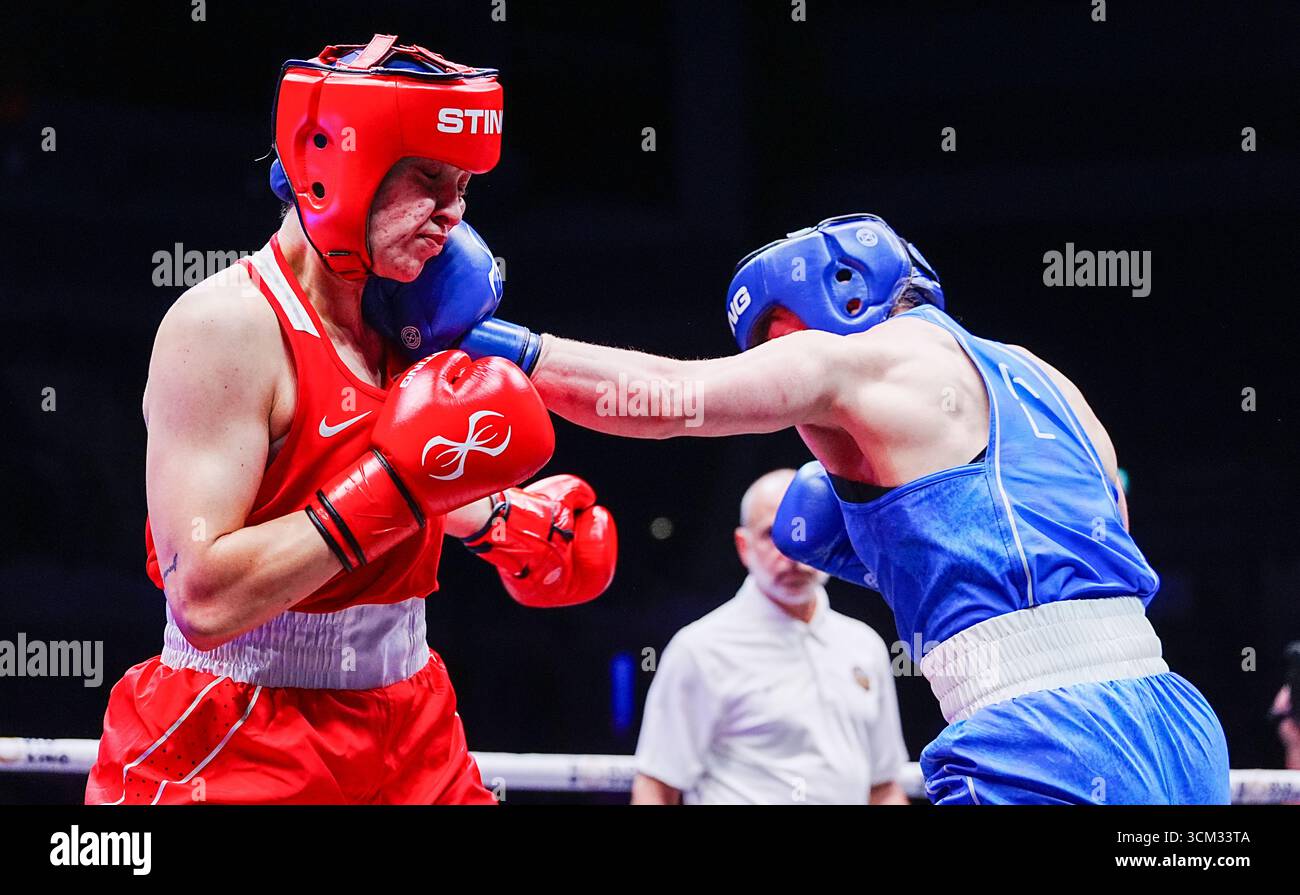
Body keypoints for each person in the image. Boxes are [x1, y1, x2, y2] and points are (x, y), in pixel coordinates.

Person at [367, 212, 1229, 804]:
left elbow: (669, 398)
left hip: (1044, 740)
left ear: (839, 301)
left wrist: (496, 345)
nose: (794, 401)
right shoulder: (1048, 380)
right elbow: (1073, 549)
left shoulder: (859, 361)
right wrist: (892, 548)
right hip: (1178, 724)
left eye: (778, 339)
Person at [85, 35, 617, 806]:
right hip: (243, 730)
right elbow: (201, 596)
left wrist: (502, 518)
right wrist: (399, 488)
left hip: (413, 720)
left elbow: (389, 459)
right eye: (428, 178)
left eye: (464, 186)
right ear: (333, 163)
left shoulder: (414, 316)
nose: (453, 215)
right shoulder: (225, 326)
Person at [632, 469, 909, 805]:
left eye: (807, 532)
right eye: (772, 534)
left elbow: (882, 788)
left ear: (833, 537)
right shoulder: (699, 649)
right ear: (744, 546)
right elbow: (656, 787)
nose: (792, 553)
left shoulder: (865, 646)